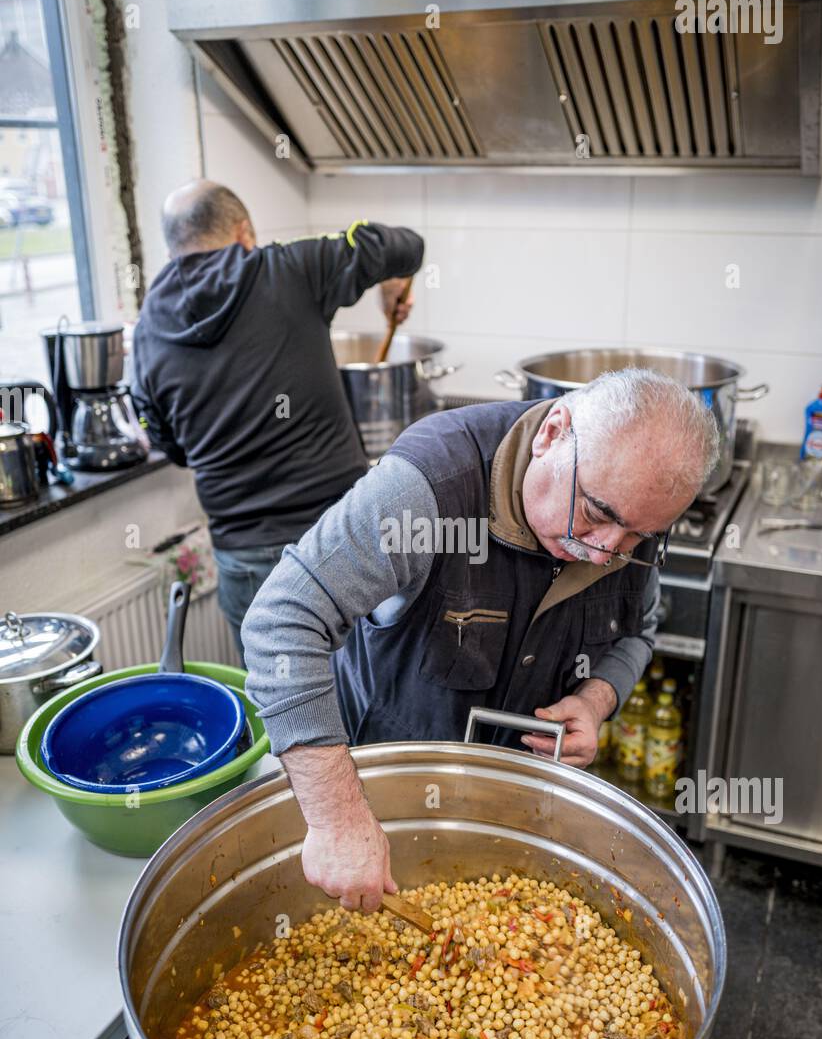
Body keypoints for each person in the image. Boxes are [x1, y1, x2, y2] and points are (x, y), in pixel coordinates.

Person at [242, 368, 719, 911]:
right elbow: (280, 620)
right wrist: (337, 818)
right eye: (596, 515)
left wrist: (596, 698)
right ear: (551, 434)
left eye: (638, 536)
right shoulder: (429, 489)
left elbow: (637, 632)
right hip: (378, 806)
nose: (607, 551)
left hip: (516, 812)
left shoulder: (630, 514)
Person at [130, 179, 424, 654]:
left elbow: (172, 447)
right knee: (361, 700)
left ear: (173, 247)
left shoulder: (145, 335)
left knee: (279, 710)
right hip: (336, 538)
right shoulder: (290, 267)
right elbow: (406, 246)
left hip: (243, 559)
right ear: (245, 232)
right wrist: (390, 283)